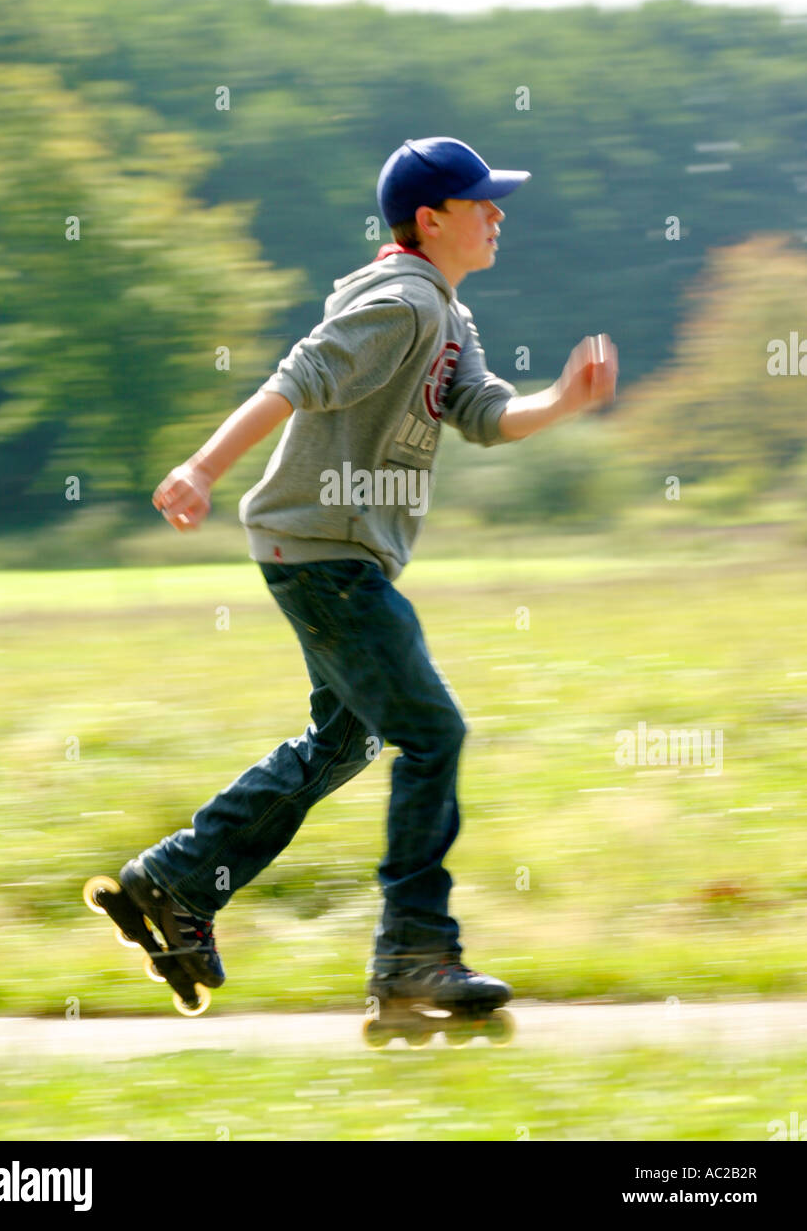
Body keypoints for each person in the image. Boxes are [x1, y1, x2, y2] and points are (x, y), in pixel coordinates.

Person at [117, 136, 618, 1015]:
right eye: (481, 201)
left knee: (345, 742)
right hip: (327, 554)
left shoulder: (445, 314)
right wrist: (201, 467)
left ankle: (178, 881)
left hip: (326, 550)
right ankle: (414, 957)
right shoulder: (401, 300)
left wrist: (563, 402)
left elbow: (485, 413)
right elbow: (294, 379)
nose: (498, 213)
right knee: (434, 733)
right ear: (431, 220)